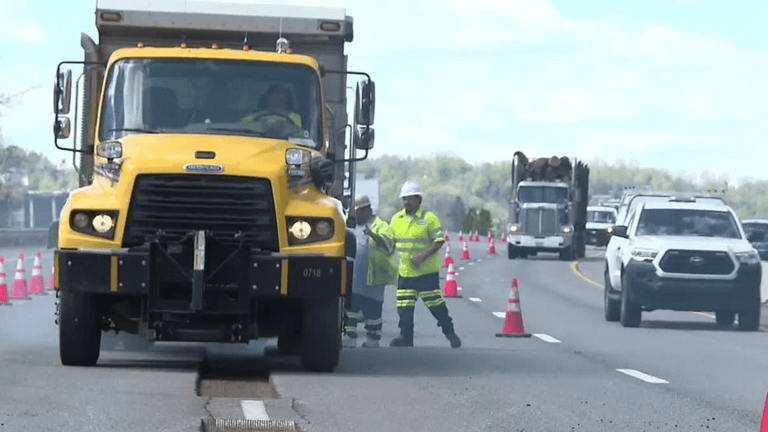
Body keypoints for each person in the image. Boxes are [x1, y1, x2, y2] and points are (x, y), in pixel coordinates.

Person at [389, 181, 462, 348]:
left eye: (410, 199)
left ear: (419, 200)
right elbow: (390, 241)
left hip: (426, 274)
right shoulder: (396, 219)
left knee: (436, 306)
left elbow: (439, 241)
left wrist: (422, 256)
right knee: (404, 309)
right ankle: (406, 338)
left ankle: (450, 333)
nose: (406, 202)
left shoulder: (429, 219)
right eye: (404, 199)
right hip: (405, 273)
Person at [343, 195, 397, 348]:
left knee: (372, 309)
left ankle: (373, 338)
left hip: (373, 277)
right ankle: (349, 336)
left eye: (358, 212)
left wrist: (373, 235)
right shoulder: (351, 224)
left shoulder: (381, 226)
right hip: (354, 278)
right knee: (351, 308)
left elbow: (389, 245)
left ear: (367, 210)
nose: (355, 215)